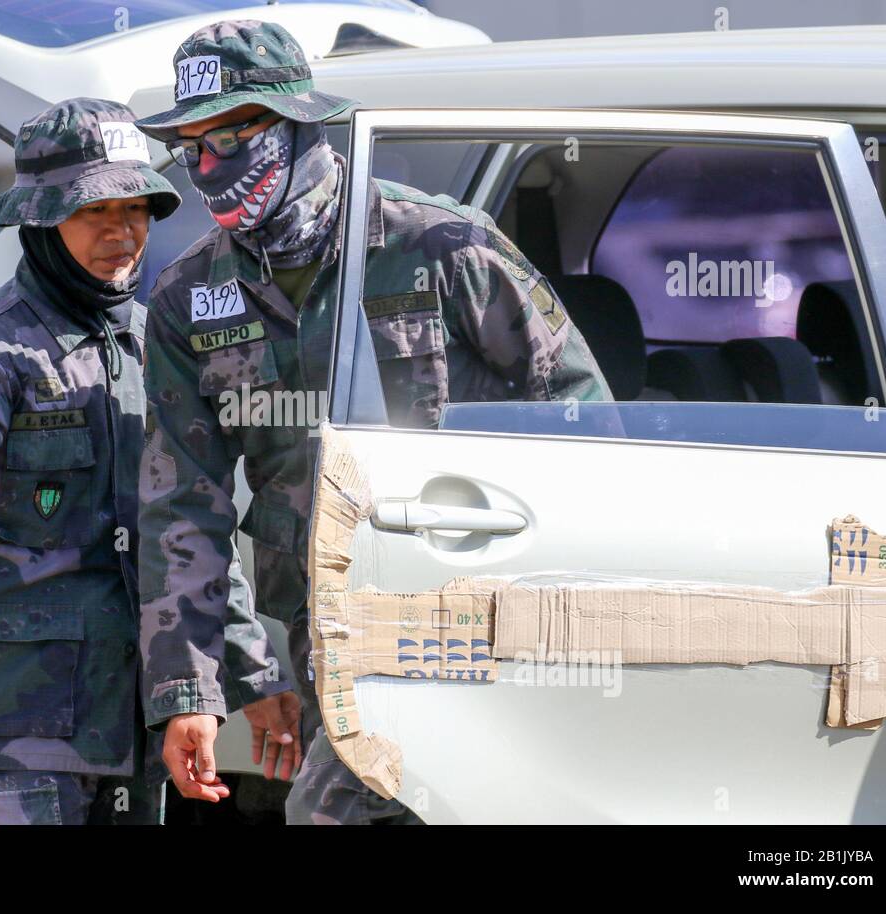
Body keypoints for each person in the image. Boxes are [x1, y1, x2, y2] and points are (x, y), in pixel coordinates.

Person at [134, 20, 613, 824]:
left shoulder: (441, 246)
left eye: (229, 137)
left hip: (472, 609)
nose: (208, 167)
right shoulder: (188, 300)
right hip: (326, 629)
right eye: (191, 148)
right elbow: (182, 506)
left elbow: (580, 417)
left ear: (294, 124)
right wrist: (201, 689)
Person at [0, 97, 292, 825]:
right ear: (40, 220)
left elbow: (191, 528)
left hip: (128, 726)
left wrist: (249, 671)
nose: (122, 232)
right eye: (95, 211)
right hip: (14, 725)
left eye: (137, 209)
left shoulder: (156, 344)